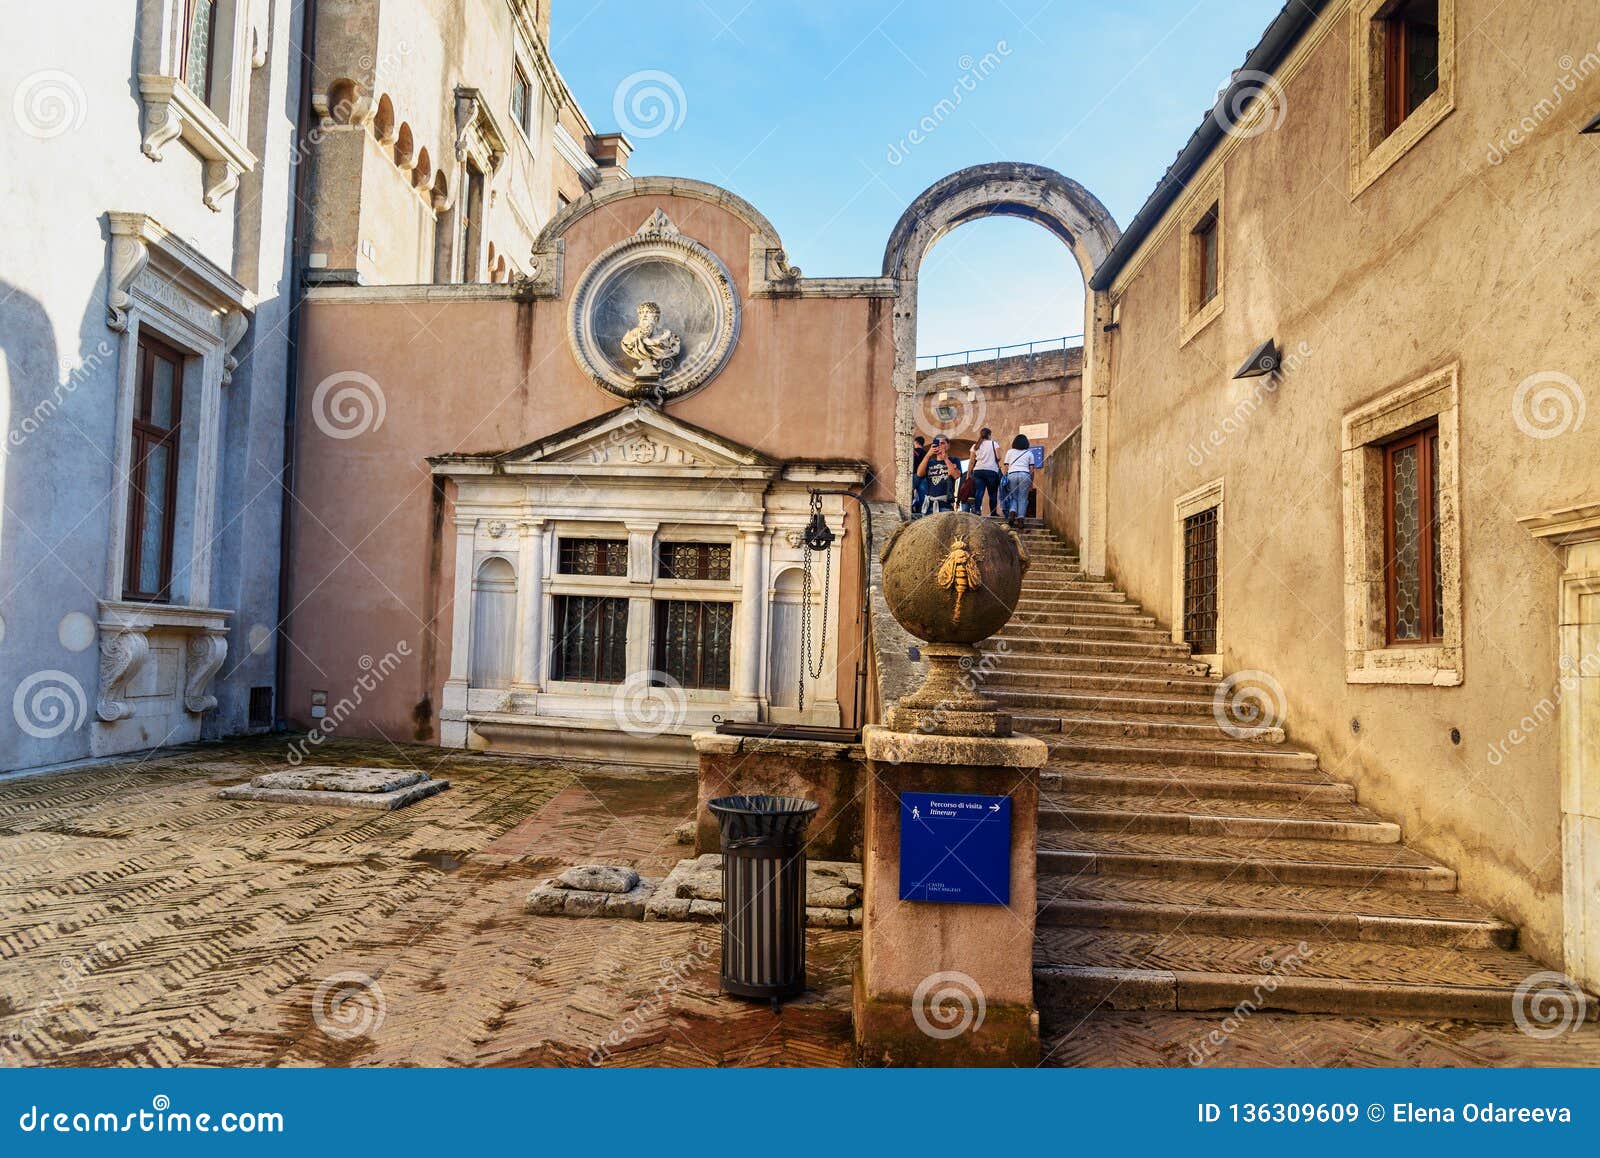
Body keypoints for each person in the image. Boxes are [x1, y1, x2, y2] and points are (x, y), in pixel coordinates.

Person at [917, 435, 958, 514]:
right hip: (929, 505)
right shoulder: (929, 462)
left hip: (945, 506)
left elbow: (955, 475)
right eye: (937, 443)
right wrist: (928, 455)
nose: (939, 445)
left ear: (948, 445)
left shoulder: (954, 460)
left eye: (942, 443)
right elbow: (919, 474)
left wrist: (945, 458)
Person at [1001, 433, 1034, 527]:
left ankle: (1012, 512)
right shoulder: (1029, 453)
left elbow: (1006, 467)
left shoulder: (1010, 452)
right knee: (1023, 498)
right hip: (1025, 475)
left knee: (1013, 496)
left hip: (1012, 475)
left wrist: (1005, 477)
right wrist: (1031, 482)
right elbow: (1032, 469)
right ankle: (1020, 520)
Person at [969, 427, 1002, 517]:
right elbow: (999, 457)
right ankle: (993, 513)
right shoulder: (994, 444)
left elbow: (971, 461)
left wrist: (968, 473)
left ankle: (977, 510)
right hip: (991, 471)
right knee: (992, 493)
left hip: (978, 471)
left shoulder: (975, 446)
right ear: (989, 435)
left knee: (979, 491)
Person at [911, 435, 928, 517]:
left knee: (909, 493)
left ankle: (910, 511)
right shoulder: (926, 454)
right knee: (923, 497)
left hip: (914, 475)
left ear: (916, 442)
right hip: (924, 477)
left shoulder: (913, 452)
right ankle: (922, 514)